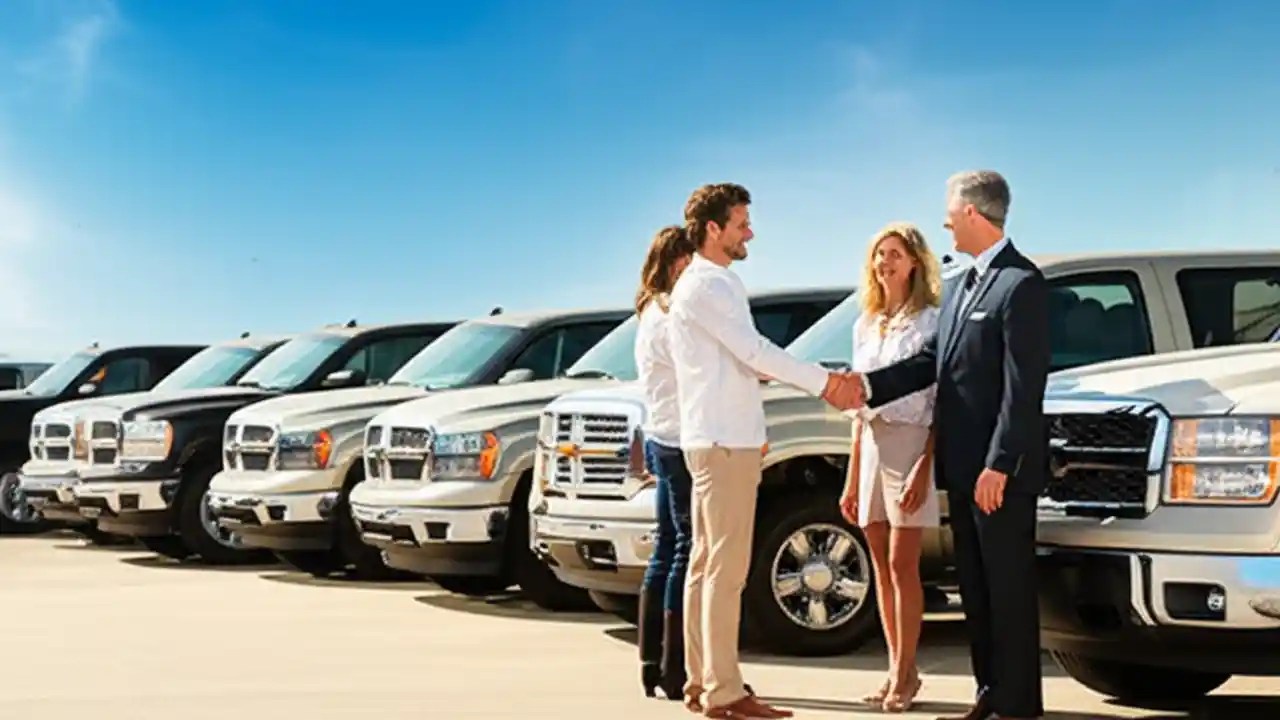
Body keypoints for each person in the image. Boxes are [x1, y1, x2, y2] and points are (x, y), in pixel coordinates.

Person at [845, 170, 1051, 720]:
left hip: (996, 473)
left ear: (974, 215)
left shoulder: (1021, 284)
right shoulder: (959, 286)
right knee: (977, 591)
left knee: (1007, 589)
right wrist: (865, 386)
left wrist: (1000, 464)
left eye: (951, 213)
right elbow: (925, 367)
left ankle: (1019, 704)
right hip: (961, 470)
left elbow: (1023, 387)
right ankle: (990, 693)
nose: (945, 223)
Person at [668, 182, 861, 720]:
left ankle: (702, 681)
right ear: (713, 228)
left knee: (705, 567)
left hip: (720, 439)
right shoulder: (712, 284)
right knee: (724, 571)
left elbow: (739, 366)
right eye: (740, 222)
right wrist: (827, 384)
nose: (749, 231)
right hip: (723, 444)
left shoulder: (699, 285)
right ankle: (724, 693)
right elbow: (754, 353)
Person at [839, 222, 942, 713]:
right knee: (880, 565)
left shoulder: (931, 322)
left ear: (915, 262)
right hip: (872, 447)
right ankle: (897, 670)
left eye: (895, 254)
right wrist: (851, 475)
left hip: (912, 445)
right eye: (880, 254)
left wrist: (925, 465)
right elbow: (860, 407)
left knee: (904, 565)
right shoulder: (865, 323)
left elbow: (943, 402)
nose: (885, 263)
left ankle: (905, 674)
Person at [633, 224, 697, 700]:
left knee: (666, 547)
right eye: (688, 259)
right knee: (687, 548)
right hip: (679, 439)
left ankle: (651, 661)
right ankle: (677, 667)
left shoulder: (647, 311)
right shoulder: (670, 313)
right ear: (674, 261)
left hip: (659, 435)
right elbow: (695, 370)